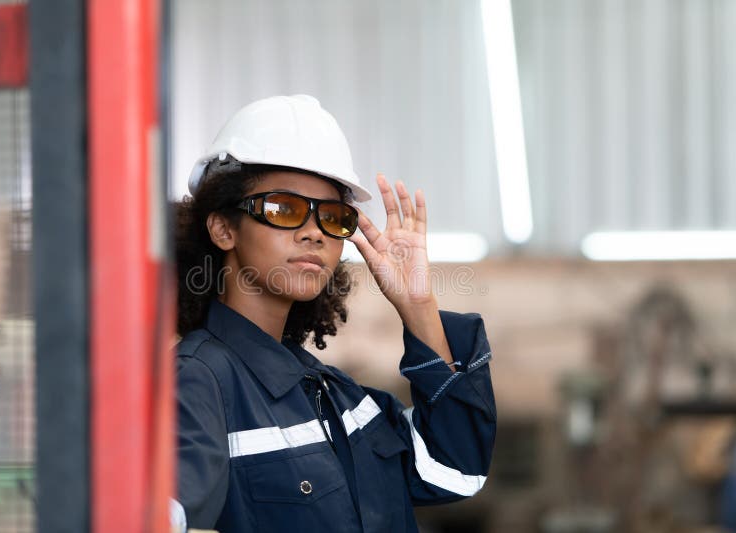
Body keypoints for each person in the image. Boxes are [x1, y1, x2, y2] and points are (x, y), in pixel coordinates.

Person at [172, 95, 496, 532]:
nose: (313, 233)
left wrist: (418, 306)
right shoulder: (200, 381)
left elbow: (457, 471)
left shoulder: (339, 397)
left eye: (333, 217)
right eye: (283, 209)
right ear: (224, 228)